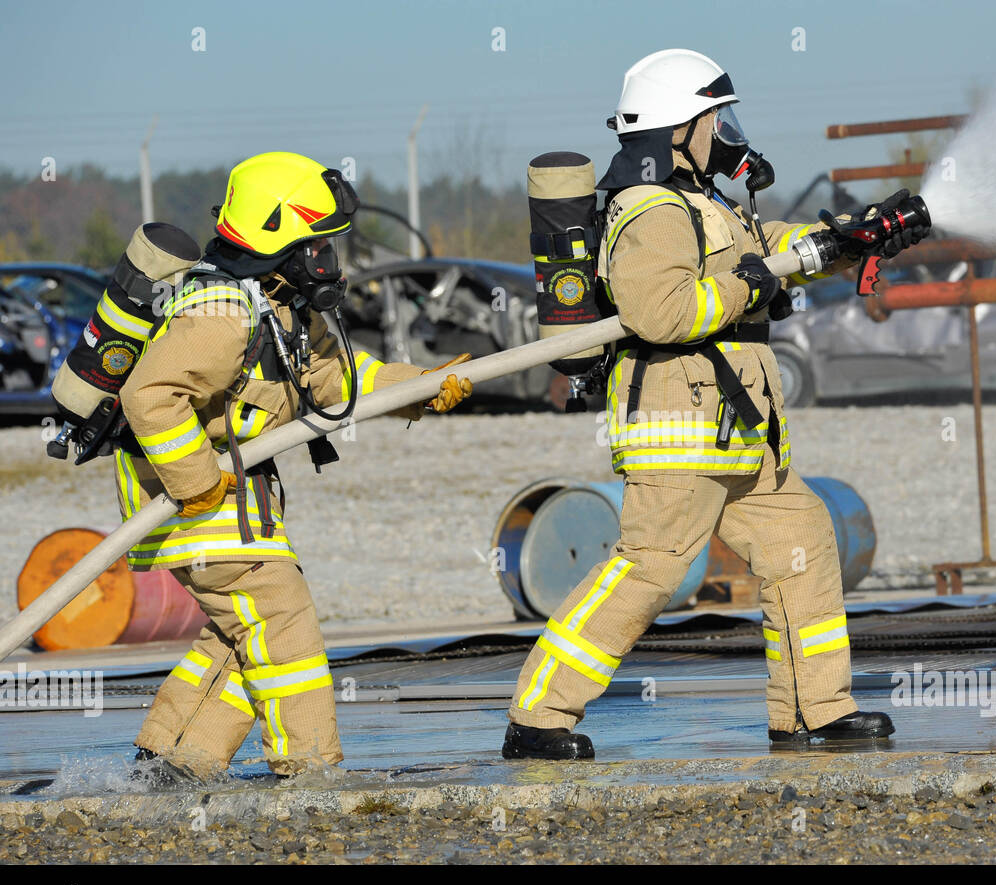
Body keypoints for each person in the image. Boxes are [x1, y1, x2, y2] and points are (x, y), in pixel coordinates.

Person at [503, 50, 928, 759]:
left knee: (804, 542)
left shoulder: (706, 204)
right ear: (677, 128)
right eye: (712, 117)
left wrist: (860, 235)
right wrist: (747, 287)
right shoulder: (651, 210)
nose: (724, 131)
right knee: (653, 568)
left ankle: (813, 711)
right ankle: (538, 717)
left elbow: (775, 249)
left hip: (735, 428)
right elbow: (662, 310)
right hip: (678, 426)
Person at [122, 151, 471, 780]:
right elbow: (149, 395)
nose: (332, 261)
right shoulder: (222, 313)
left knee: (243, 636)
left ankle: (172, 764)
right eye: (322, 246)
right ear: (285, 241)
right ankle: (308, 772)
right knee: (283, 622)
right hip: (193, 502)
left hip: (235, 499)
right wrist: (197, 484)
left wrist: (423, 383)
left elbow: (342, 380)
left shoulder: (277, 308)